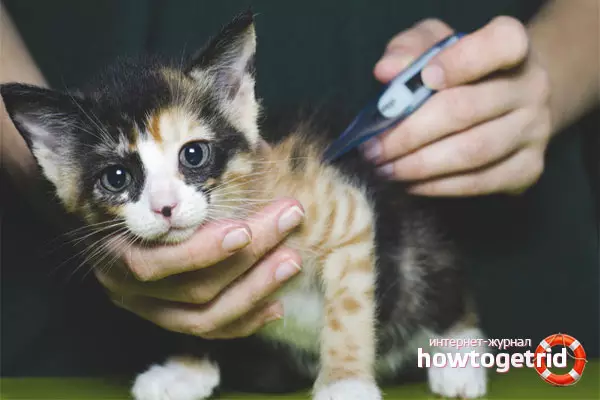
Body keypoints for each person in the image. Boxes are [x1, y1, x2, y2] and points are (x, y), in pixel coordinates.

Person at [1, 0, 598, 376]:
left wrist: (552, 67)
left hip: (515, 270)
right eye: (118, 177)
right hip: (67, 357)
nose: (164, 201)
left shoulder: (278, 175)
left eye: (192, 157)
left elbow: (350, 227)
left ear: (237, 96)